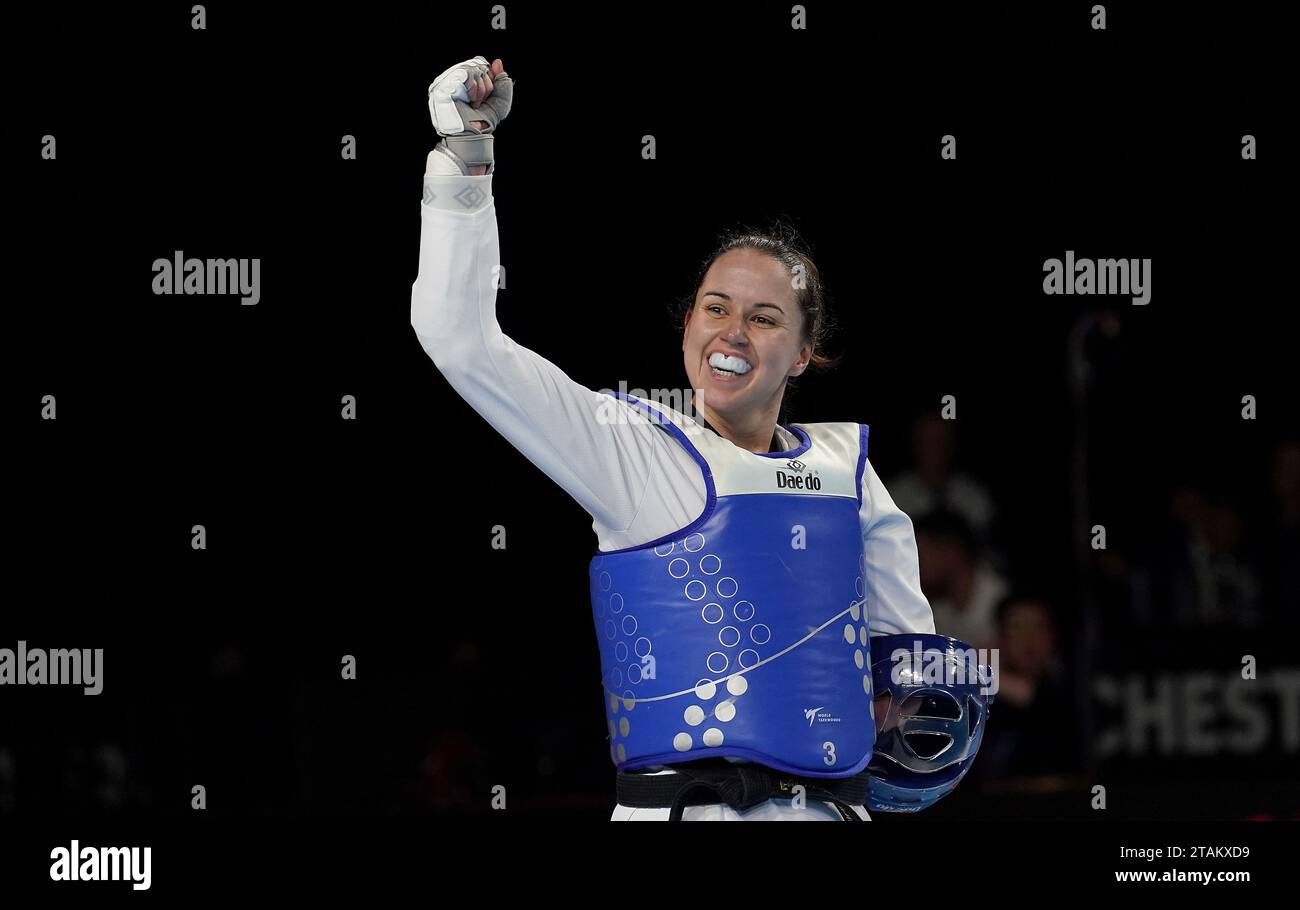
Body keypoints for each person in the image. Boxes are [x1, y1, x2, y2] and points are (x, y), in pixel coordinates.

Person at [412, 56, 965, 821]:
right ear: (687, 327)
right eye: (715, 308)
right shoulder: (632, 448)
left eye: (765, 318)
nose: (732, 333)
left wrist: (923, 722)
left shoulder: (851, 474)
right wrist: (466, 161)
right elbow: (459, 339)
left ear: (805, 354)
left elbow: (911, 680)